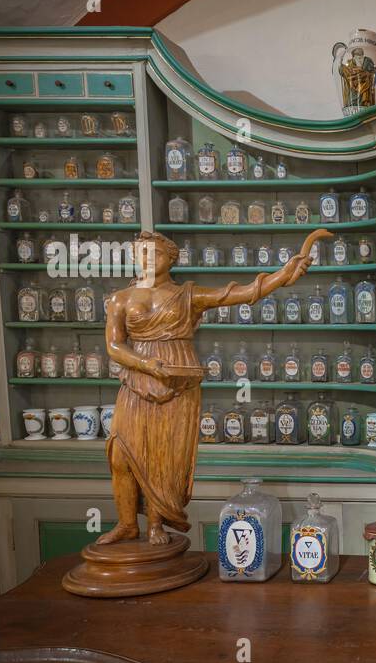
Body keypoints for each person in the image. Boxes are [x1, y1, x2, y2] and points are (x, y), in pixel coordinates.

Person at [97, 230, 313, 547]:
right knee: (120, 454)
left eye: (154, 253)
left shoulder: (188, 295)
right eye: (140, 253)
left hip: (178, 382)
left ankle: (156, 524)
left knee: (162, 457)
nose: (146, 259)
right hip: (138, 380)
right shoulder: (121, 298)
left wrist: (282, 275)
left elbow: (238, 294)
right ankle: (128, 523)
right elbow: (114, 346)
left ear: (171, 259)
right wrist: (147, 365)